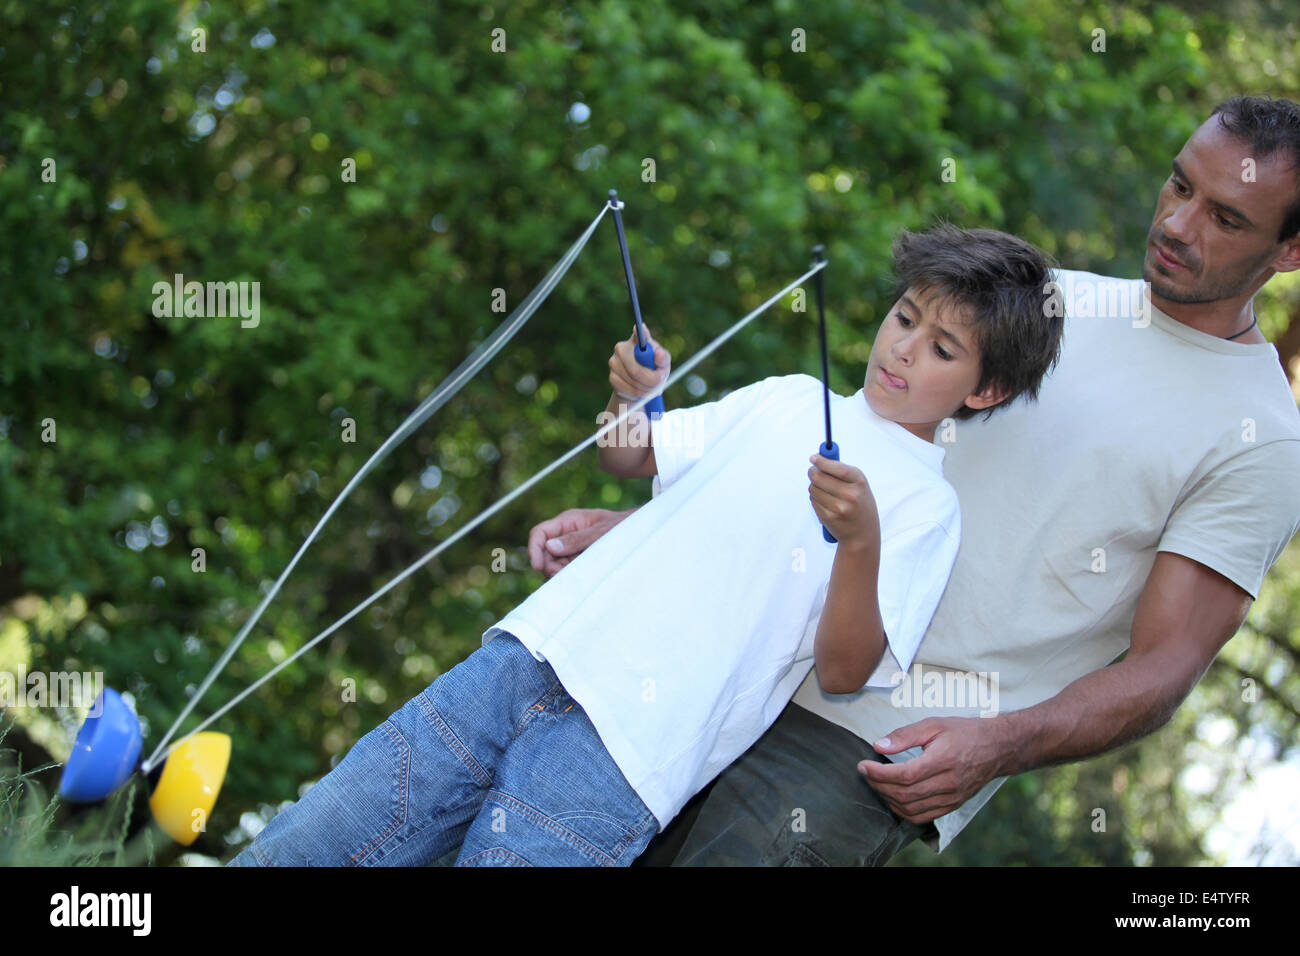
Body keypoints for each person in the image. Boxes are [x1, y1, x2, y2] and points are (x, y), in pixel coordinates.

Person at [534, 93, 1300, 866]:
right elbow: (850, 449)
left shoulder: (1261, 439)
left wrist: (1000, 743)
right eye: (1179, 185)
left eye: (1226, 218)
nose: (1176, 223)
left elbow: (1164, 667)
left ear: (1291, 250)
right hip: (718, 656)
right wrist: (658, 528)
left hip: (857, 745)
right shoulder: (1049, 300)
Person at [229, 225, 1064, 866]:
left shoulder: (925, 507)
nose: (905, 347)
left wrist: (860, 541)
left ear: (984, 390)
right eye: (905, 317)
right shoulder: (786, 396)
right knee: (310, 840)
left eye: (942, 348)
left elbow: (845, 672)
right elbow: (630, 454)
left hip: (625, 759)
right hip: (528, 660)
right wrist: (635, 394)